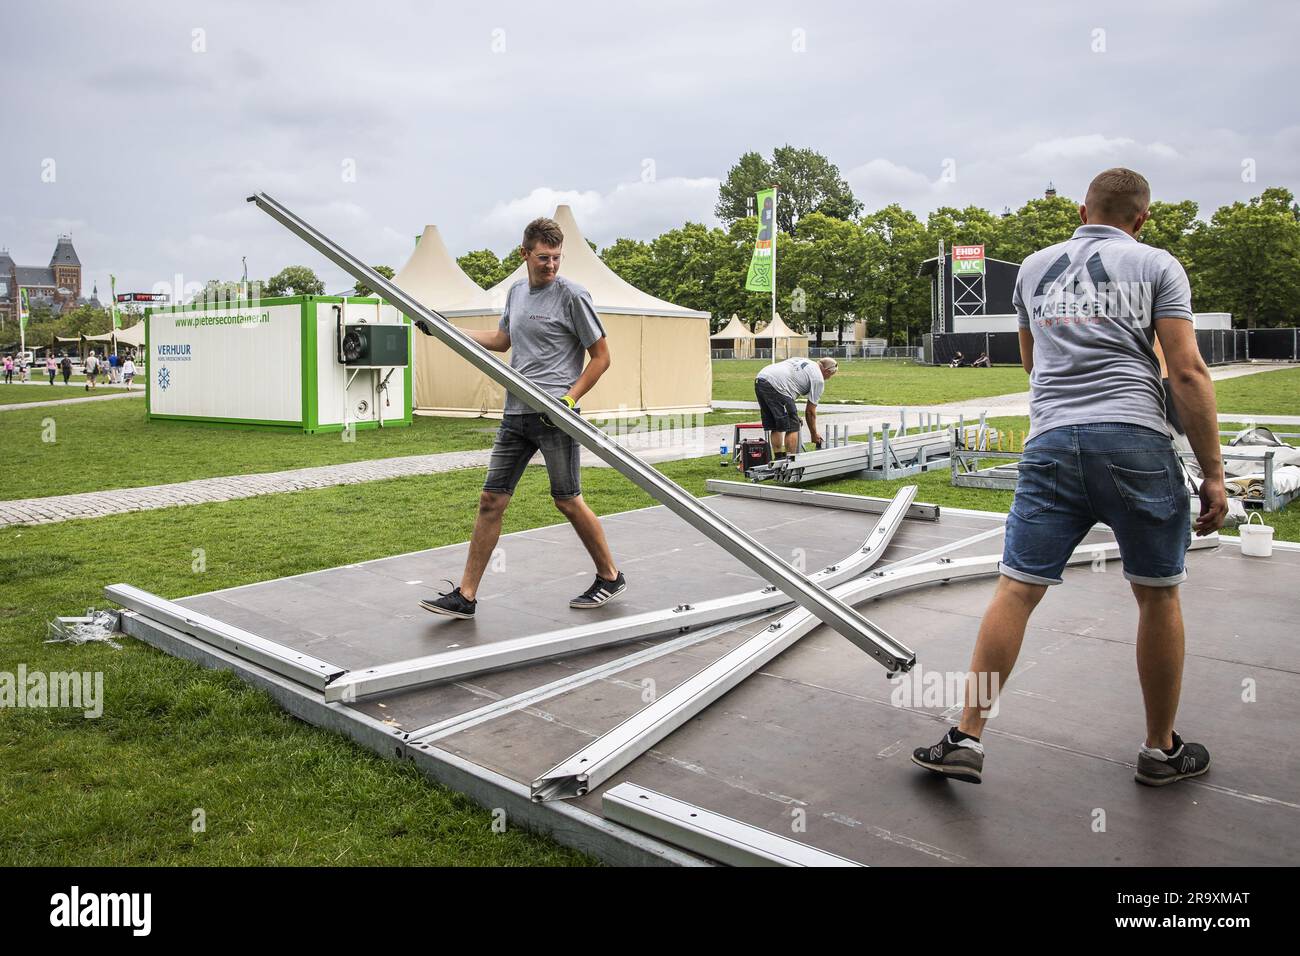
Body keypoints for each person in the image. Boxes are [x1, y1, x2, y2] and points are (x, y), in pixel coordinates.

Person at [912, 167, 1227, 788]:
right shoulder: (1158, 265)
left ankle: (965, 736)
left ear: (1083, 211)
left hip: (1051, 443)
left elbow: (1033, 364)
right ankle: (1161, 752)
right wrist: (1214, 475)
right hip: (1134, 440)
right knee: (1157, 593)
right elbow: (1186, 373)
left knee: (1017, 590)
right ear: (1141, 219)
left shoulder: (1033, 267)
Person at [419, 216, 624, 619]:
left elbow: (602, 358)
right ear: (525, 254)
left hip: (555, 415)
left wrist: (569, 399)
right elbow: (502, 340)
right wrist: (449, 331)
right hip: (516, 412)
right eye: (543, 257)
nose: (551, 265)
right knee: (490, 500)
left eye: (557, 258)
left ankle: (610, 575)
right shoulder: (516, 293)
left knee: (566, 500)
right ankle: (466, 595)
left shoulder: (573, 296)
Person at [753, 356, 837, 459]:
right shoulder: (818, 379)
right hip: (778, 385)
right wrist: (813, 434)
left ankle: (779, 458)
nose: (829, 378)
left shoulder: (804, 360)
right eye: (831, 375)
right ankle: (790, 461)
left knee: (775, 424)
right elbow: (810, 412)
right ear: (827, 371)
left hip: (761, 378)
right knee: (793, 425)